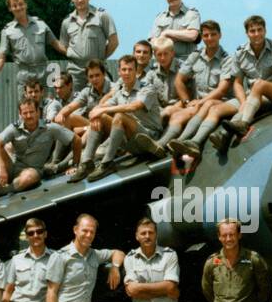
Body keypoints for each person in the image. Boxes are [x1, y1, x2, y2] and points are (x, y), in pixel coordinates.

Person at [69, 55, 160, 183]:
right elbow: (98, 109)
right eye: (124, 70)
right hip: (130, 142)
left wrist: (103, 110)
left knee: (119, 116)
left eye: (130, 69)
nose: (126, 73)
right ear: (119, 72)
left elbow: (134, 106)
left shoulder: (147, 88)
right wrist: (96, 114)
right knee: (100, 116)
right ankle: (86, 163)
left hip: (149, 139)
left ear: (136, 71)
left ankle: (107, 163)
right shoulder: (120, 92)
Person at [154, 20, 233, 161]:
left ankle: (181, 141)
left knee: (196, 109)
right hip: (197, 103)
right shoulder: (195, 56)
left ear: (220, 35)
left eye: (213, 34)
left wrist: (200, 102)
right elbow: (179, 80)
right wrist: (186, 101)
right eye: (206, 35)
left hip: (219, 102)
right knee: (177, 116)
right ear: (202, 37)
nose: (209, 38)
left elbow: (222, 90)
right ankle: (160, 145)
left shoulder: (226, 59)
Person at [0, 99, 73, 204]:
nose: (29, 116)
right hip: (13, 169)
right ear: (20, 114)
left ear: (38, 112)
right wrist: (2, 166)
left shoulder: (49, 127)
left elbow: (75, 140)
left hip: (33, 171)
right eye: (25, 113)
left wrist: (75, 164)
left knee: (28, 177)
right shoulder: (14, 127)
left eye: (31, 112)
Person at [0, 0, 68, 100]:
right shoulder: (7, 31)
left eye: (21, 4)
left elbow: (56, 44)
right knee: (26, 111)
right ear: (10, 8)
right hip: (24, 75)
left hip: (44, 73)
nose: (18, 7)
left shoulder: (41, 24)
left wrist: (74, 53)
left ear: (26, 4)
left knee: (49, 109)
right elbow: (1, 57)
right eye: (14, 5)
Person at [217, 15, 272, 146]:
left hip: (271, 95)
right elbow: (238, 83)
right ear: (247, 33)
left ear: (265, 31)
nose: (256, 34)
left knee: (251, 100)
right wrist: (243, 101)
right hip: (250, 95)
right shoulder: (240, 53)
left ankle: (225, 134)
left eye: (259, 30)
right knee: (216, 108)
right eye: (252, 31)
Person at [59, 0, 118, 88]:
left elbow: (114, 42)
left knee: (104, 100)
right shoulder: (67, 21)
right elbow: (63, 46)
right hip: (75, 72)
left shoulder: (102, 16)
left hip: (97, 69)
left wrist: (100, 58)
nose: (80, 0)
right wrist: (75, 55)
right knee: (75, 101)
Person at [148, 0, 200, 69]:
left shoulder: (192, 14)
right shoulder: (159, 18)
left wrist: (167, 33)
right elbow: (153, 42)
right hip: (163, 65)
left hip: (185, 64)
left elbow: (192, 35)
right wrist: (181, 35)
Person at [53, 60, 110, 136]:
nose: (94, 79)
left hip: (109, 126)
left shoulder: (113, 88)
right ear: (87, 78)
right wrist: (61, 114)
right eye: (91, 76)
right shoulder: (87, 91)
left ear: (104, 74)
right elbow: (70, 107)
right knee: (67, 120)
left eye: (97, 75)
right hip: (92, 126)